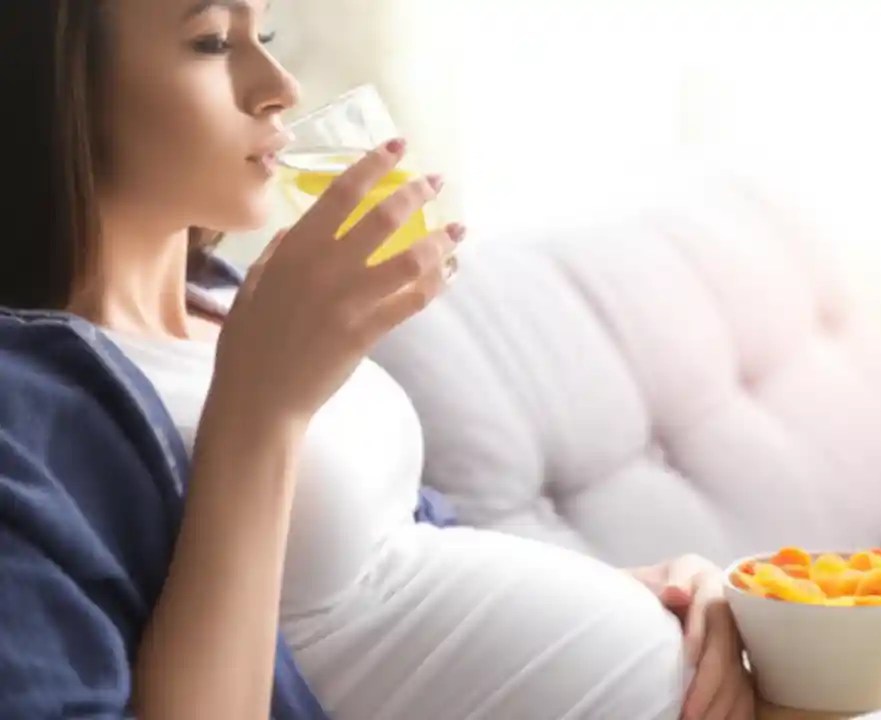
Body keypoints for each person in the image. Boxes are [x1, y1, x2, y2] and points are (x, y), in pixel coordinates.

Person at [0, 0, 753, 718]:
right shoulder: (22, 411)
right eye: (211, 41)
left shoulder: (231, 303)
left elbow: (395, 577)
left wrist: (639, 597)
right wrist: (261, 409)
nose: (279, 87)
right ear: (57, 82)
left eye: (265, 32)